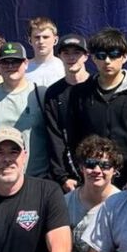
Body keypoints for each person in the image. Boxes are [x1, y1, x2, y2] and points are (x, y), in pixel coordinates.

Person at [52, 27, 127, 190]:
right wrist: (77, 174)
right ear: (93, 58)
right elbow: (72, 140)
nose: (108, 61)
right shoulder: (80, 94)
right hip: (93, 180)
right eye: (101, 56)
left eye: (114, 54)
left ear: (125, 56)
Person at [0, 41, 51, 178]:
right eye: (5, 62)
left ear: (26, 63)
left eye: (16, 62)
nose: (10, 66)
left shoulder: (40, 94)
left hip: (36, 178)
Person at [64, 134, 121, 252]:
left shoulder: (122, 206)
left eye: (105, 165)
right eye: (90, 164)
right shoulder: (64, 203)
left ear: (115, 170)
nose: (97, 170)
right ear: (81, 168)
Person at [42, 32, 90, 182]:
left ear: (86, 56)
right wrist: (63, 177)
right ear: (60, 56)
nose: (71, 57)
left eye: (76, 52)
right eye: (66, 53)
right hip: (69, 178)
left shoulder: (97, 86)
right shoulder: (53, 93)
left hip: (99, 171)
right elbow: (54, 136)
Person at [24, 17, 65, 88]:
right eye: (37, 37)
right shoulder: (23, 69)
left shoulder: (64, 67)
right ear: (30, 40)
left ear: (55, 40)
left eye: (45, 37)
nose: (41, 41)